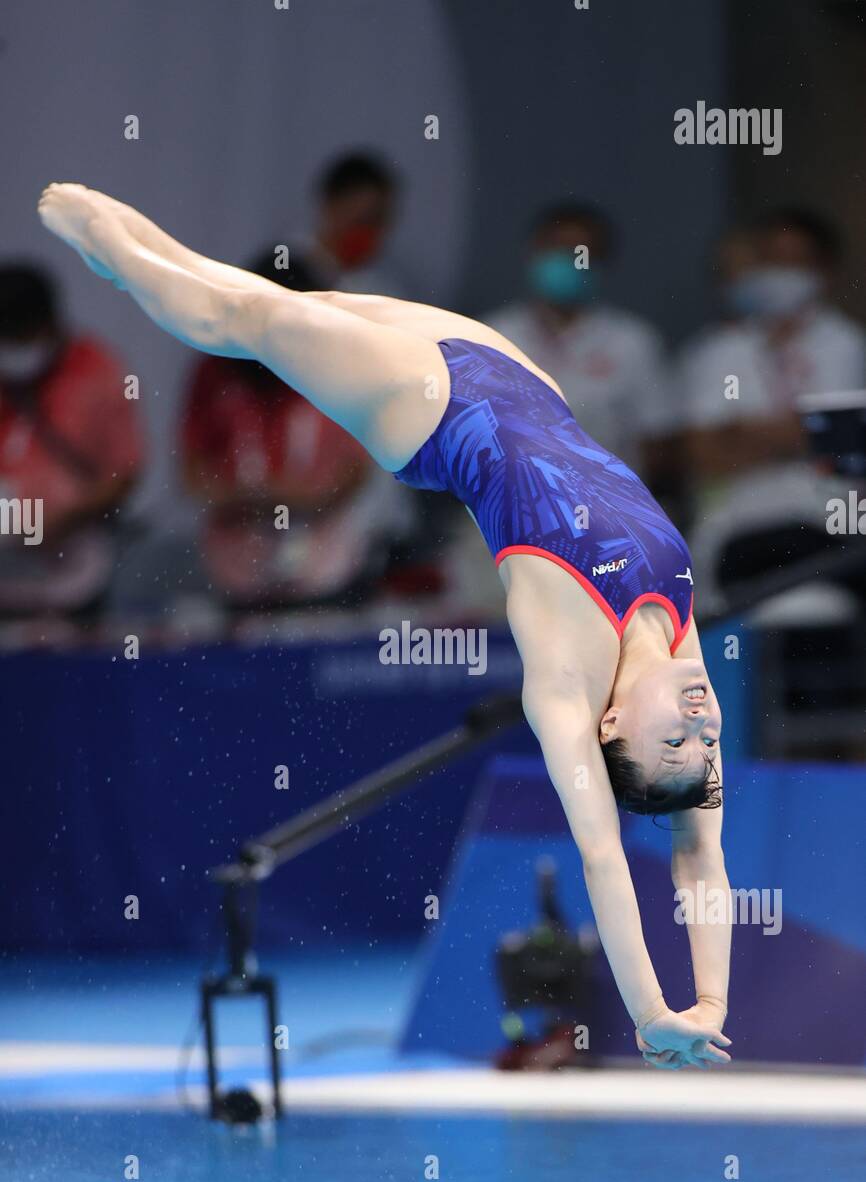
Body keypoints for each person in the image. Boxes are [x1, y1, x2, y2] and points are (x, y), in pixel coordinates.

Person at [38, 181, 733, 1070]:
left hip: (434, 412)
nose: (704, 726)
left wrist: (651, 1012)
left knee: (239, 319)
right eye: (705, 744)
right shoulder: (682, 660)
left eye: (680, 742)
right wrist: (710, 995)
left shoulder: (564, 674)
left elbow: (603, 852)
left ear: (610, 727)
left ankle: (105, 244)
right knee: (283, 302)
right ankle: (127, 239)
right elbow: (699, 858)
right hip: (517, 375)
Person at [181, 253, 407, 610]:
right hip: (237, 565)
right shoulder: (215, 372)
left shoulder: (338, 371)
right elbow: (192, 475)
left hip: (325, 559)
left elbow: (353, 472)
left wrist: (284, 498)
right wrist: (245, 497)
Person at [677, 208, 866, 612]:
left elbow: (837, 436)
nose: (781, 273)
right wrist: (798, 432)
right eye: (772, 260)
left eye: (795, 262)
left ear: (825, 271)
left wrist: (740, 433)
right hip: (739, 531)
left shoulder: (846, 345)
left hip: (829, 527)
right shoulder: (718, 352)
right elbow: (703, 453)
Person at [0, 263, 143, 623]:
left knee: (72, 671)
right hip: (6, 560)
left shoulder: (97, 368)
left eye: (21, 336)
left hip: (75, 566)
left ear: (49, 325)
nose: (13, 349)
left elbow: (125, 472)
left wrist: (61, 521)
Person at [486, 201, 673, 476]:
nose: (569, 260)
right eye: (556, 249)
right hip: (510, 506)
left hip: (605, 507)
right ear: (533, 252)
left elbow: (657, 439)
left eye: (582, 252)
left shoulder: (633, 341)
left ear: (602, 263)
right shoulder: (491, 335)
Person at [289, 150, 406, 298]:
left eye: (380, 221)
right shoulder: (281, 267)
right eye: (362, 220)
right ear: (330, 206)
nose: (369, 231)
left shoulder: (380, 288)